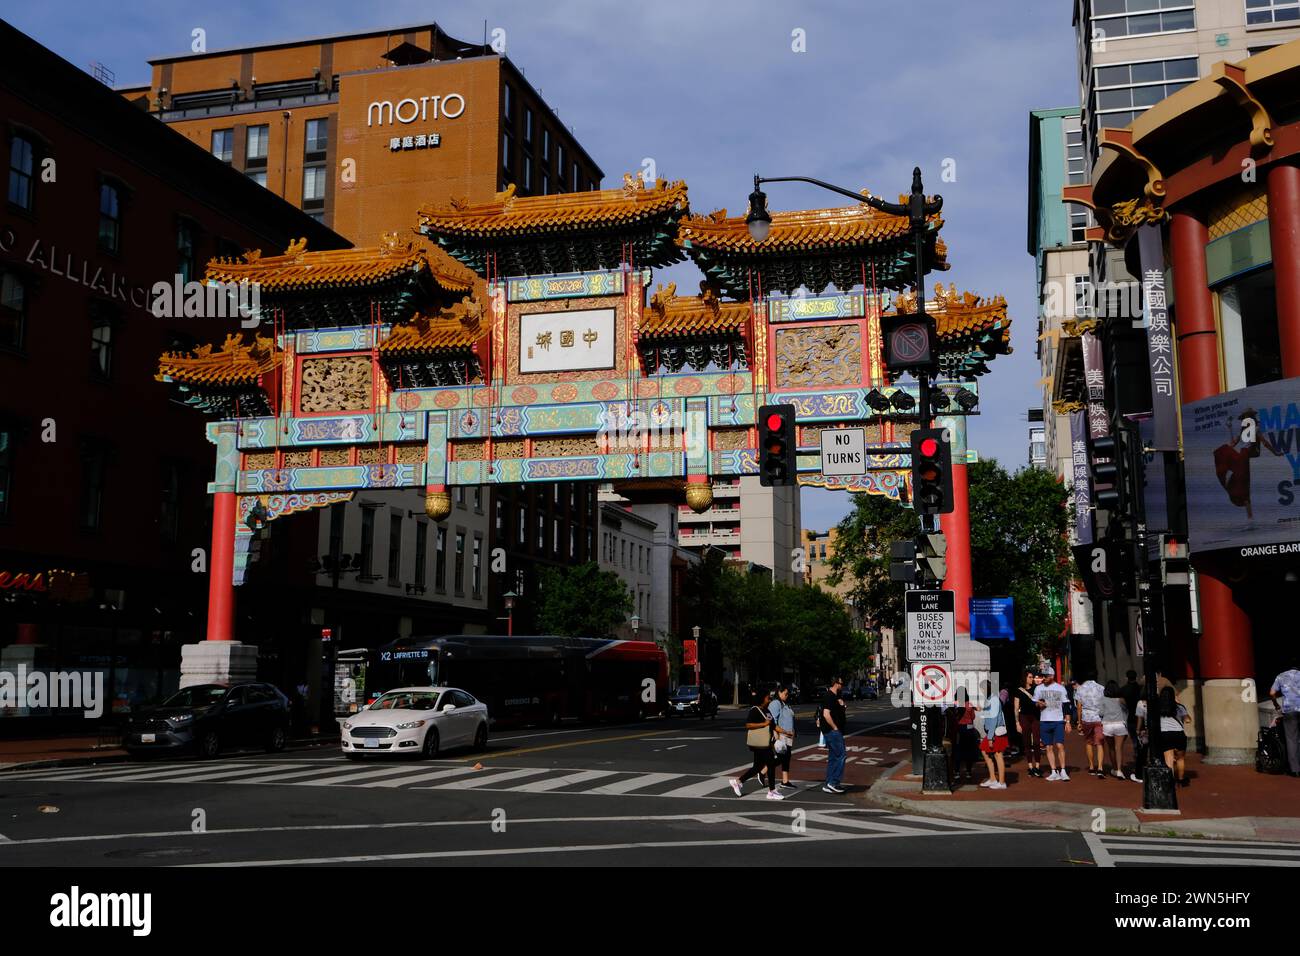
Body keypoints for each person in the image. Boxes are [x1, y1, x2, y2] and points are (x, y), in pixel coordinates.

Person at [731, 688, 783, 800]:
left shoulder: (767, 711)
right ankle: (772, 791)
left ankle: (738, 782)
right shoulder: (754, 710)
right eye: (768, 697)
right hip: (759, 743)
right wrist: (763, 724)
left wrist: (786, 732)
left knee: (757, 767)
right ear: (762, 698)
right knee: (771, 763)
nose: (769, 700)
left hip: (766, 743)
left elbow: (773, 725)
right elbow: (748, 725)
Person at [1137, 686, 1190, 787]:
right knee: (1180, 758)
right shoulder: (1180, 707)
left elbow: (1151, 722)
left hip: (1165, 734)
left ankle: (1170, 780)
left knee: (1168, 758)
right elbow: (1188, 720)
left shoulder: (1156, 708)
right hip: (1179, 734)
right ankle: (1181, 779)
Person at [1034, 671, 1071, 781]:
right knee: (1048, 747)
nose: (1043, 678)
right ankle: (1054, 771)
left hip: (1058, 720)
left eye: (1046, 676)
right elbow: (1035, 702)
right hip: (1044, 720)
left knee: (1060, 745)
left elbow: (1066, 706)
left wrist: (1068, 722)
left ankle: (1063, 770)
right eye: (1042, 676)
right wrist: (1038, 704)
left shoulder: (1060, 688)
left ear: (1052, 676)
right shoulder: (1038, 688)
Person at [1269, 657, 1300, 777]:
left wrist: (1276, 705)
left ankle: (1295, 770)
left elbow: (1272, 693)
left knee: (1292, 739)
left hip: (1289, 710)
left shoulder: (1281, 676)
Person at [1074, 672, 1107, 778]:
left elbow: (1079, 707)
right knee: (1100, 743)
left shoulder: (1080, 689)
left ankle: (1092, 767)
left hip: (1086, 718)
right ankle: (1100, 768)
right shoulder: (1101, 688)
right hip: (1098, 718)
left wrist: (1079, 722)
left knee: (1089, 742)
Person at [977, 680, 1008, 789]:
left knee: (998, 755)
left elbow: (994, 718)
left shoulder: (994, 699)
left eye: (982, 689)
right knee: (985, 752)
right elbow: (989, 714)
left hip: (995, 732)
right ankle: (993, 779)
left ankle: (1001, 782)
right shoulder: (990, 699)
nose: (981, 691)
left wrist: (990, 737)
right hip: (991, 731)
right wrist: (982, 709)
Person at [820, 677, 847, 794]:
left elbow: (837, 712)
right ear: (836, 684)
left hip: (833, 730)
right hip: (832, 731)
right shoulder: (829, 696)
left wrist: (842, 706)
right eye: (841, 684)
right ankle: (833, 782)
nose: (842, 686)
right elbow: (826, 714)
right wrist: (835, 727)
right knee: (841, 755)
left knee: (833, 757)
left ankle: (828, 783)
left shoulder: (837, 696)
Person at [769, 683, 799, 791]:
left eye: (788, 694)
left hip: (788, 736)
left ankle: (785, 781)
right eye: (785, 694)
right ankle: (763, 770)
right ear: (779, 692)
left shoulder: (786, 704)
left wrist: (794, 732)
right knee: (782, 757)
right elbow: (772, 720)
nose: (787, 695)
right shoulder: (776, 703)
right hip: (781, 735)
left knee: (786, 757)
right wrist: (775, 735)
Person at [1014, 671, 1042, 778]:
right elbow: (1016, 708)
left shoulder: (1036, 689)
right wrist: (1017, 723)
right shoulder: (1019, 691)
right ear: (1025, 678)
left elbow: (1040, 702)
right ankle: (1030, 767)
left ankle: (1037, 766)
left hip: (1035, 717)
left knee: (1036, 741)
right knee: (1026, 742)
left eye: (1032, 677)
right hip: (1024, 717)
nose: (1032, 679)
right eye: (1030, 677)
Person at [949, 687, 979, 785]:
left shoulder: (955, 704)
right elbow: (973, 717)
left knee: (958, 750)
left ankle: (957, 772)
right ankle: (968, 772)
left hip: (959, 728)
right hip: (969, 729)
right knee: (969, 750)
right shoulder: (969, 704)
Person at [1099, 679, 1129, 779]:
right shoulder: (1121, 699)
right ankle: (1120, 770)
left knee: (1111, 748)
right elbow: (1126, 712)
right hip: (1120, 724)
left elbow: (1101, 713)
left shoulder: (1103, 699)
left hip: (1107, 724)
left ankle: (1115, 768)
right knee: (1118, 748)